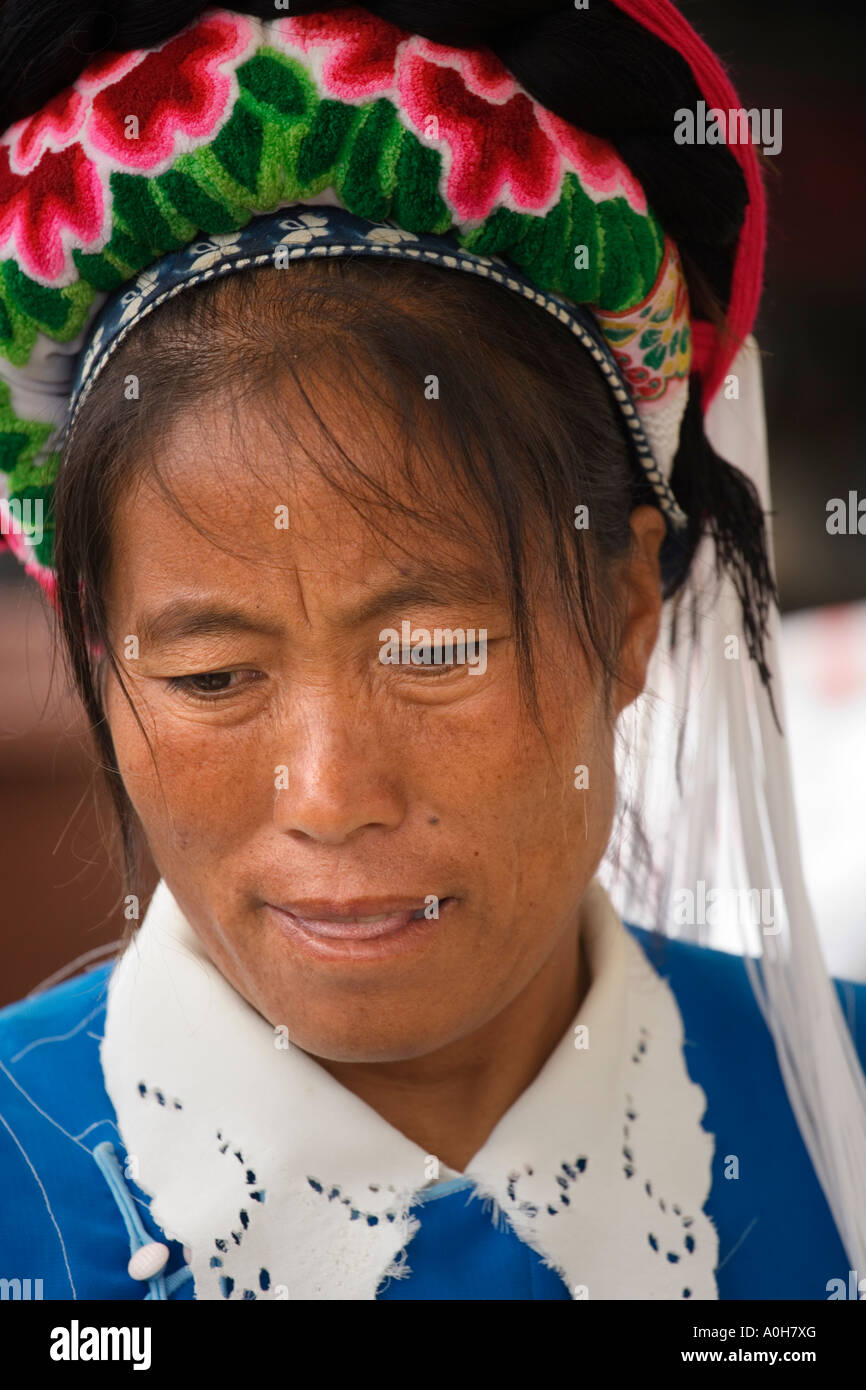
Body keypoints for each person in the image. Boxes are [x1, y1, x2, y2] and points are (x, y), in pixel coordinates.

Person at [0, 0, 864, 1302]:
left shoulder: (836, 1117)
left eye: (437, 648)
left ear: (629, 606)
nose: (332, 796)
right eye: (212, 677)